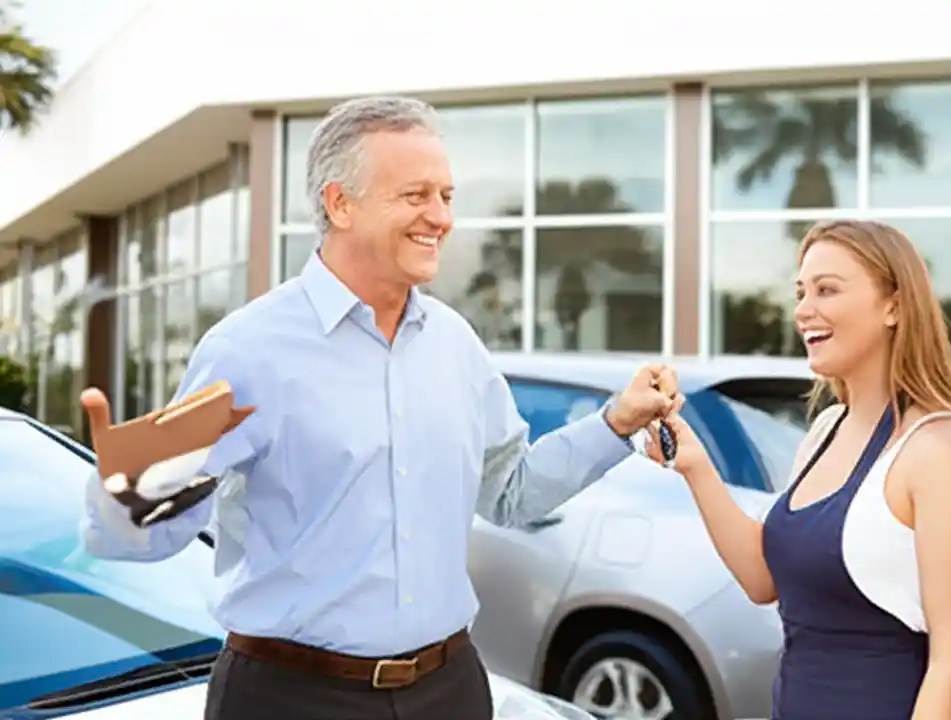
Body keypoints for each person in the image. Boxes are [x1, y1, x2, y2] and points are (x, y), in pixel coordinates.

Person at [79, 95, 681, 720]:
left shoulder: (456, 346)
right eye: (416, 195)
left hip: (449, 691)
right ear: (341, 204)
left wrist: (617, 423)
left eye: (446, 195)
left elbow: (512, 492)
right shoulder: (248, 351)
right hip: (291, 699)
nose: (441, 217)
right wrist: (123, 490)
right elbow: (145, 536)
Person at [645, 220, 951, 720]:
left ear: (894, 305)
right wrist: (695, 466)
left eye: (827, 290)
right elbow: (764, 580)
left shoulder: (939, 448)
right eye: (801, 291)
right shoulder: (827, 428)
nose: (804, 310)